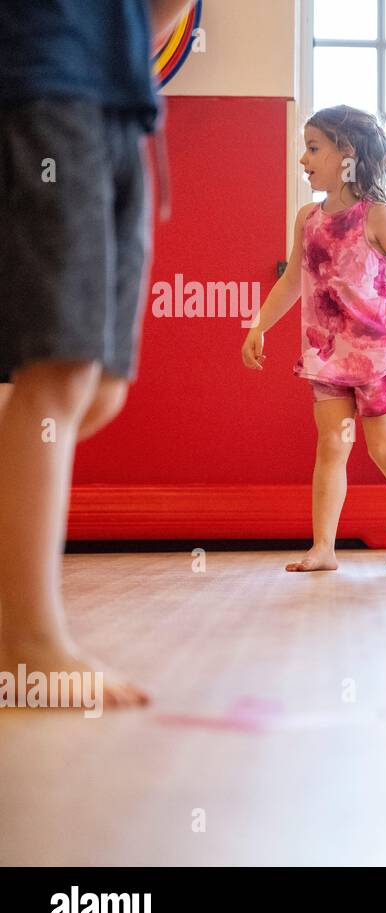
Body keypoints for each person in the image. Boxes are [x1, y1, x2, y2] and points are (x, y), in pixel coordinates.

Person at [0, 0, 196, 709]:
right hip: (44, 83)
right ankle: (25, 647)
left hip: (121, 100)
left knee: (102, 384)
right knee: (61, 367)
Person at [241, 106, 386, 572]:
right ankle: (323, 547)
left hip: (378, 353)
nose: (303, 159)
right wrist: (258, 325)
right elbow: (290, 282)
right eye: (305, 148)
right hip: (327, 355)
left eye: (313, 148)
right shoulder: (308, 219)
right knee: (332, 447)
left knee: (383, 449)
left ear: (348, 154)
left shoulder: (378, 218)